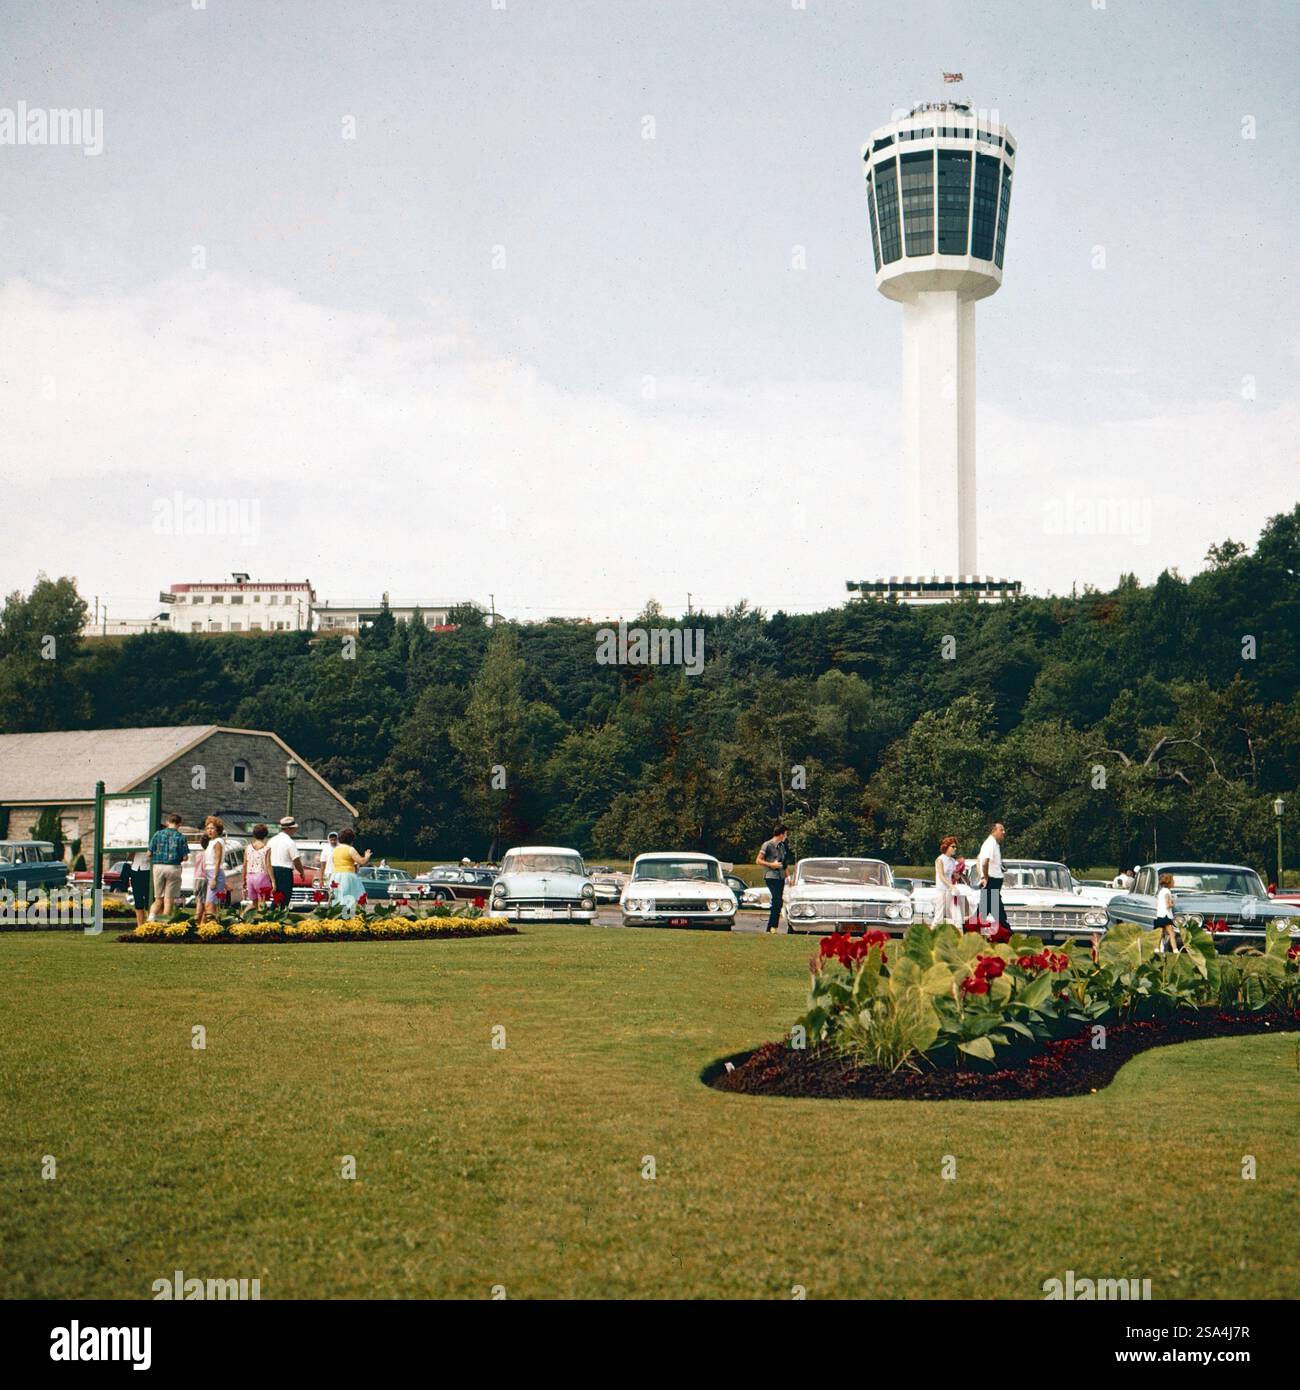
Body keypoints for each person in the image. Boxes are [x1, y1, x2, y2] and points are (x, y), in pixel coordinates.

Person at [148, 812, 189, 920]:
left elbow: (149, 853)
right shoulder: (181, 837)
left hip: (158, 867)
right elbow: (185, 857)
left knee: (158, 898)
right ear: (180, 824)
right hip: (173, 867)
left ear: (167, 822)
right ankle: (164, 922)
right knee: (168, 899)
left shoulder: (157, 834)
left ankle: (151, 919)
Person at [756, 824, 792, 934]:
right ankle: (771, 927)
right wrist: (771, 865)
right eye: (785, 834)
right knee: (777, 900)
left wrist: (788, 877)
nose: (786, 836)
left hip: (780, 877)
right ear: (781, 834)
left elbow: (784, 863)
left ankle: (772, 927)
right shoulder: (767, 845)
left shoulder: (782, 846)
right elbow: (758, 860)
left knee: (778, 902)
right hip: (771, 876)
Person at [977, 821, 1010, 933]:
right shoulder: (990, 844)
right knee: (995, 913)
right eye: (1001, 830)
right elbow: (984, 862)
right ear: (994, 830)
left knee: (986, 911)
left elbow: (979, 859)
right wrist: (985, 878)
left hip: (993, 882)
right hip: (991, 882)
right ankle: (1007, 934)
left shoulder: (994, 844)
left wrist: (982, 876)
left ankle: (971, 932)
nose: (1003, 832)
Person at [331, 827, 372, 913]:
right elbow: (362, 861)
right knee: (350, 897)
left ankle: (337, 915)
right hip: (348, 876)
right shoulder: (350, 849)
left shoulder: (335, 850)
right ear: (351, 839)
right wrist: (367, 856)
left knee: (338, 897)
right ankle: (349, 916)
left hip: (336, 875)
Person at [195, 817, 226, 927]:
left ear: (218, 830)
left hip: (214, 873)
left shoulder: (218, 842)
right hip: (209, 873)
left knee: (210, 904)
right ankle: (208, 926)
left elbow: (217, 861)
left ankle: (211, 927)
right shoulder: (211, 842)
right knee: (208, 904)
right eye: (208, 828)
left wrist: (214, 878)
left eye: (212, 828)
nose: (209, 830)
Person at [268, 816, 304, 907]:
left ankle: (273, 916)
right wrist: (301, 872)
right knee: (284, 897)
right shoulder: (290, 842)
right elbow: (296, 860)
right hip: (284, 871)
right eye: (293, 828)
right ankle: (278, 916)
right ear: (289, 829)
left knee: (277, 896)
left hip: (272, 870)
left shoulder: (271, 840)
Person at [931, 835, 960, 927]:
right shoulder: (940, 860)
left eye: (955, 847)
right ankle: (930, 935)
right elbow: (942, 876)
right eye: (953, 846)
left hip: (949, 891)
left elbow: (954, 875)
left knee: (952, 915)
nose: (955, 848)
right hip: (941, 890)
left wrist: (958, 875)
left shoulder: (952, 861)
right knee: (939, 916)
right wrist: (951, 886)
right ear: (946, 847)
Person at [243, 824, 274, 906]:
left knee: (254, 903)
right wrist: (273, 881)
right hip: (261, 876)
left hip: (249, 876)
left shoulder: (248, 848)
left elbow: (244, 865)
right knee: (261, 903)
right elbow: (268, 865)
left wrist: (244, 879)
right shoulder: (266, 849)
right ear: (265, 835)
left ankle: (242, 917)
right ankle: (262, 919)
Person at [1153, 873, 1178, 953]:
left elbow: (1158, 904)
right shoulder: (1167, 891)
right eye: (1173, 881)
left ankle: (1157, 949)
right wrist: (1173, 903)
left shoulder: (1160, 891)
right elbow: (1168, 905)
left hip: (1159, 915)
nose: (1174, 883)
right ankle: (1175, 949)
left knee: (1160, 933)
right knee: (1172, 933)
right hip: (1166, 915)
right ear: (1169, 882)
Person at [128, 848, 151, 928]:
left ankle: (150, 925)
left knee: (149, 900)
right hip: (136, 870)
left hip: (148, 869)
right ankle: (140, 927)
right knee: (138, 900)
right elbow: (129, 857)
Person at [191, 833, 210, 912]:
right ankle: (198, 920)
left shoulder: (199, 854)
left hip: (196, 879)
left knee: (199, 900)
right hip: (204, 879)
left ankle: (199, 919)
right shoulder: (209, 854)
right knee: (203, 902)